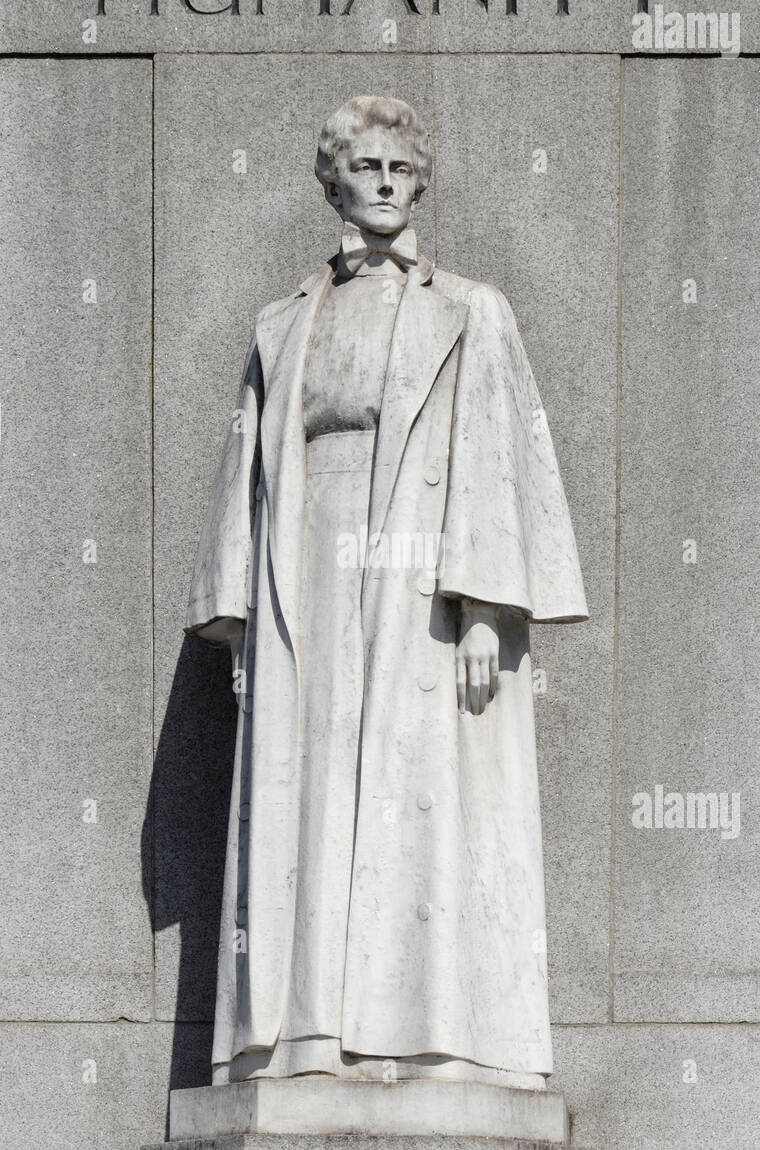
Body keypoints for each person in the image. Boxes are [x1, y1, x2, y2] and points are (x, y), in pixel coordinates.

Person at [186, 95, 587, 1089]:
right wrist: (236, 614)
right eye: (362, 167)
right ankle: (304, 1035)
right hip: (308, 558)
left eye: (399, 170)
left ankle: (433, 1035)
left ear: (420, 181)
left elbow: (497, 455)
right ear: (332, 180)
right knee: (309, 784)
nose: (381, 184)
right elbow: (249, 471)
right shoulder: (284, 322)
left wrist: (489, 606)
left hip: (421, 565)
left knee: (420, 792)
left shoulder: (472, 310)